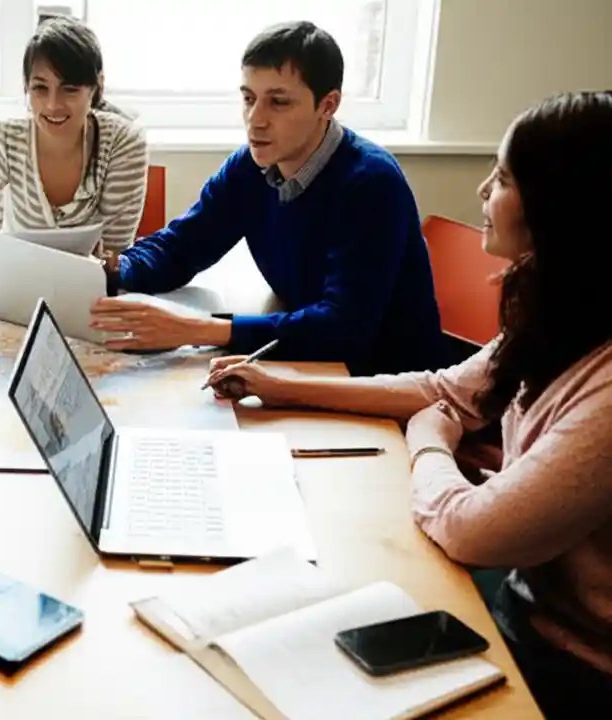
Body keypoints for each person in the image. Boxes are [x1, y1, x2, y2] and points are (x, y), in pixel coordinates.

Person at [205, 91, 612, 718]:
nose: (482, 190)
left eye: (502, 177)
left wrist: (428, 438)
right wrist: (279, 384)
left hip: (574, 667)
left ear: (560, 205)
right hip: (525, 608)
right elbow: (443, 390)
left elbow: (470, 526)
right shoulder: (563, 307)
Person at [90, 21, 444, 376]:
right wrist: (113, 268)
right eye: (248, 98)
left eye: (278, 102)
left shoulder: (371, 183)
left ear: (328, 105)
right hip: (310, 367)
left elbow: (344, 328)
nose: (255, 120)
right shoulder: (250, 167)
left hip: (384, 385)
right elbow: (182, 246)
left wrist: (198, 330)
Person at [0, 16, 149, 281]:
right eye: (40, 88)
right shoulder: (4, 138)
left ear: (96, 88)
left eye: (70, 89)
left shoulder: (123, 142)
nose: (53, 105)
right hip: (12, 284)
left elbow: (113, 258)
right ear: (26, 88)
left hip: (84, 291)